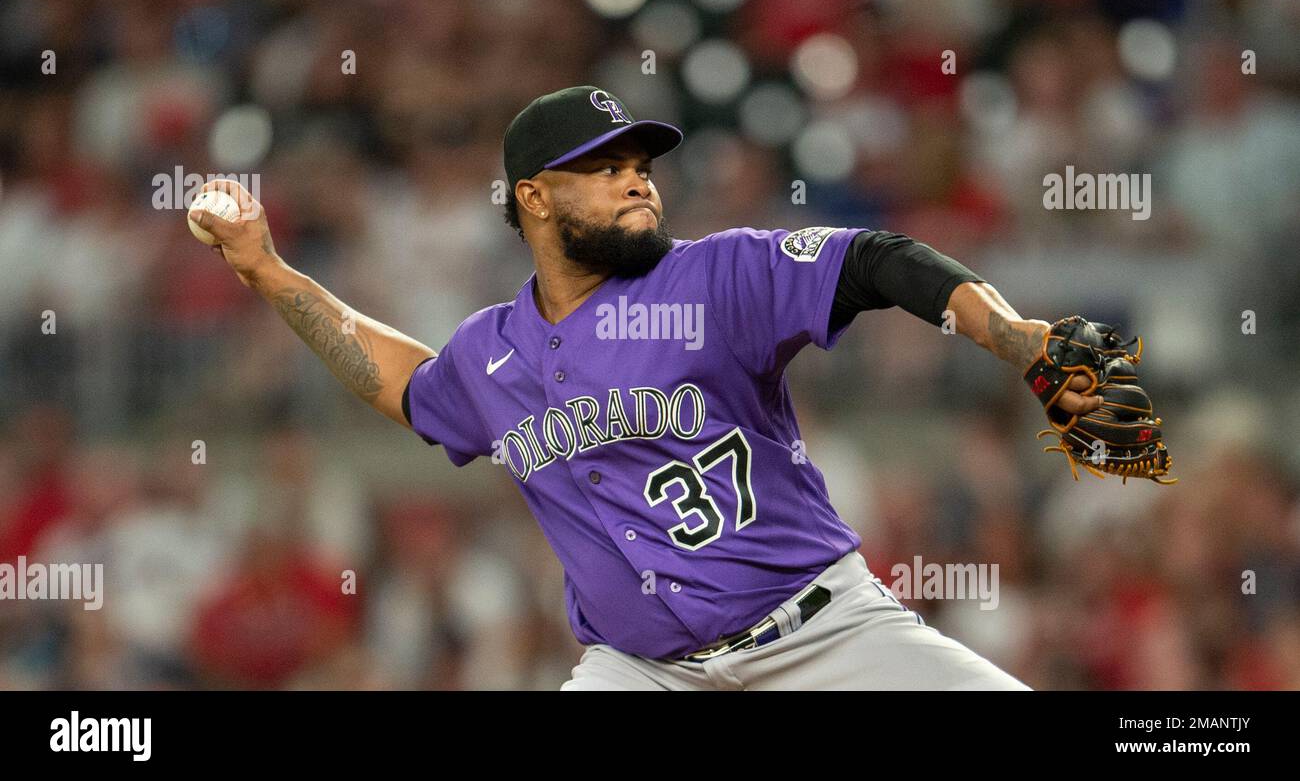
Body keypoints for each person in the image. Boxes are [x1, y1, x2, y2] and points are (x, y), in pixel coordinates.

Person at [191, 86, 1104, 690]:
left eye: (642, 164)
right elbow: (398, 380)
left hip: (824, 638)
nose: (638, 179)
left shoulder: (716, 278)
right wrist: (267, 269)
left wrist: (1016, 338)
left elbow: (877, 259)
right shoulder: (493, 354)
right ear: (535, 198)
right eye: (606, 166)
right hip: (642, 671)